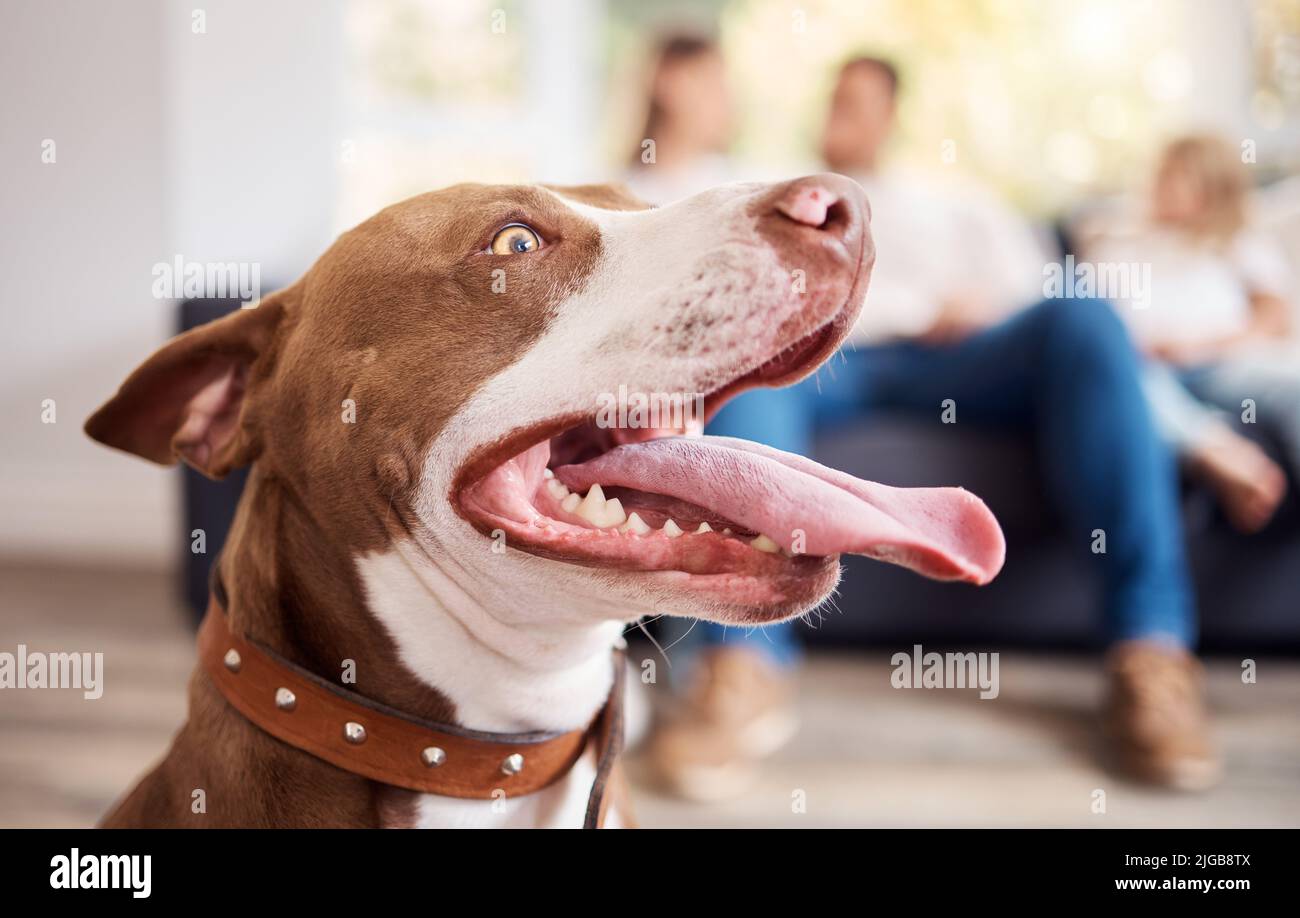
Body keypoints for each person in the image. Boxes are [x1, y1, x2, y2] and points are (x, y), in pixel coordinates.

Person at [649, 56, 1219, 798]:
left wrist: (982, 305)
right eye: (834, 98)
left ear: (892, 113)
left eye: (859, 101)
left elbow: (1043, 294)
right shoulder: (780, 191)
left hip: (962, 358)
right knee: (754, 363)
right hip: (832, 357)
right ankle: (739, 667)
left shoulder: (959, 205)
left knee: (1086, 319)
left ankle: (1152, 654)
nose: (840, 114)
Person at [1087, 134, 1297, 533]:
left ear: (1212, 186)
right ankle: (1215, 451)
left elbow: (1273, 316)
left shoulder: (1236, 241)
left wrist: (1205, 347)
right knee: (1121, 380)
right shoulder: (1118, 245)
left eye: (1179, 176)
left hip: (1222, 363)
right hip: (1148, 368)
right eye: (1161, 175)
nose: (1163, 185)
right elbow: (1088, 325)